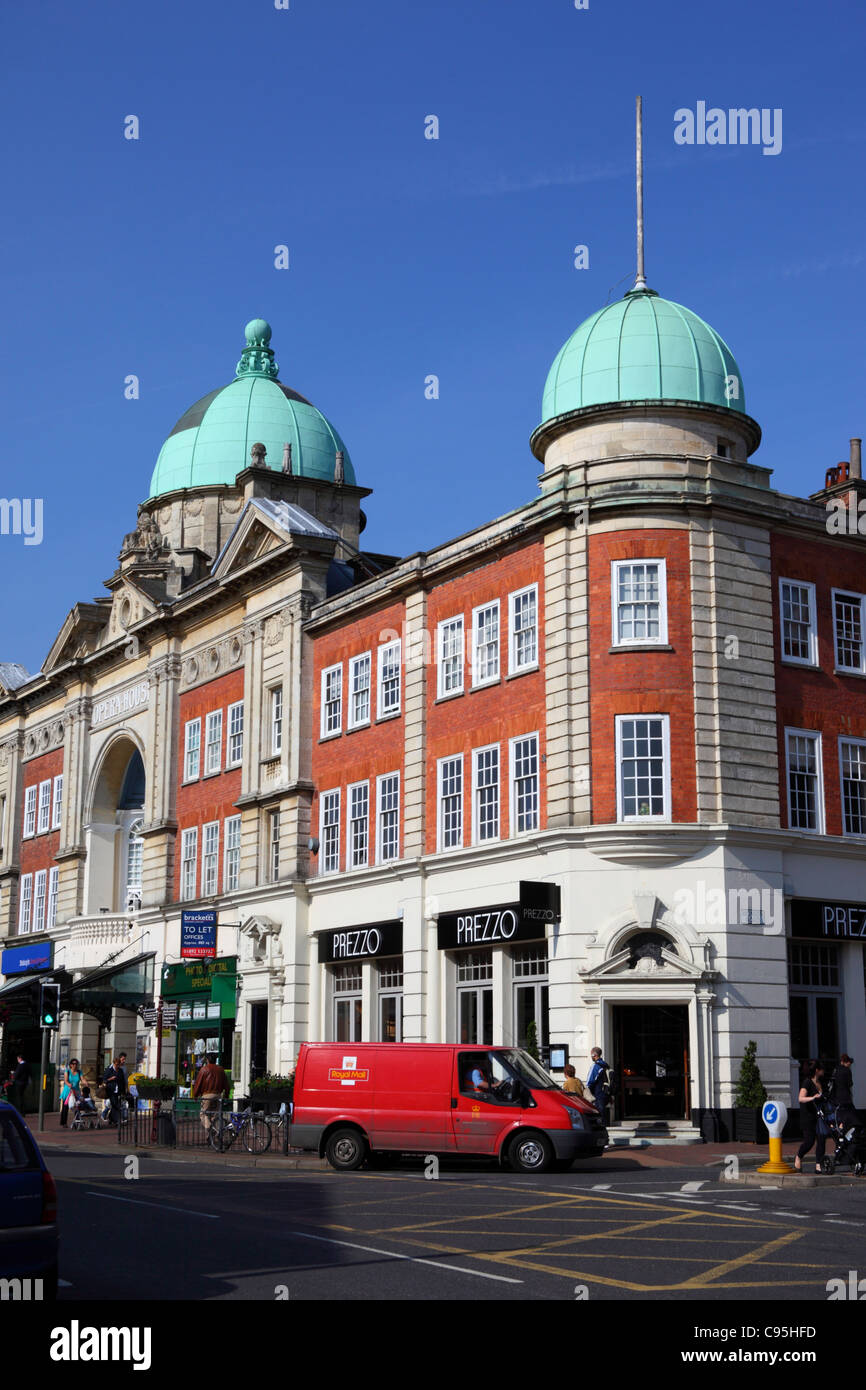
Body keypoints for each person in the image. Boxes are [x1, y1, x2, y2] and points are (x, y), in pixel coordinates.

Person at [794, 1060, 827, 1173]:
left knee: (822, 1140)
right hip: (808, 1116)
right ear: (817, 1070)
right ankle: (798, 1156)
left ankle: (818, 1164)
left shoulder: (820, 1082)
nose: (824, 1071)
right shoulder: (807, 1082)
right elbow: (800, 1098)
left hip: (819, 1116)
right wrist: (812, 1098)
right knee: (809, 1141)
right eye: (822, 1069)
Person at [192, 1052, 230, 1131]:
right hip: (217, 1095)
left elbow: (198, 1083)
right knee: (215, 1115)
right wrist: (226, 1095)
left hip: (207, 1095)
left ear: (207, 1060)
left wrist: (195, 1095)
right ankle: (215, 1132)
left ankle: (209, 1130)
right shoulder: (220, 1070)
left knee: (204, 1114)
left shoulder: (204, 1069)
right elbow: (226, 1085)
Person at [831, 1054, 856, 1130]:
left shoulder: (835, 1070)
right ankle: (844, 1128)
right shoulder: (847, 1070)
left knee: (840, 1113)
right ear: (846, 1062)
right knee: (851, 1114)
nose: (850, 1065)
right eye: (849, 1063)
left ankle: (837, 1126)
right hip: (845, 1097)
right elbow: (850, 1084)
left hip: (836, 1097)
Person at [586, 1047, 611, 1123]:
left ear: (594, 1055)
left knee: (599, 1116)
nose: (591, 1056)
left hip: (598, 1094)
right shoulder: (605, 1065)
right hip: (605, 1093)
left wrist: (588, 1091)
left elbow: (589, 1081)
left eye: (591, 1055)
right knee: (604, 1114)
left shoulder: (596, 1066)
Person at [102, 1053, 128, 1126]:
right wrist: (110, 1079)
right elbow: (104, 1080)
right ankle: (116, 1120)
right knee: (115, 1104)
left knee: (115, 1105)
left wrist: (124, 1091)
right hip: (111, 1090)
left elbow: (122, 1081)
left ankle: (111, 1119)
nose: (117, 1066)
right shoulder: (109, 1070)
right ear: (113, 1064)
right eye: (116, 1064)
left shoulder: (120, 1071)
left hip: (118, 1090)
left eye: (118, 1065)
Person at [59, 1058, 82, 1127]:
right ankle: (64, 1122)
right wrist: (69, 1084)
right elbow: (65, 1080)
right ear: (70, 1065)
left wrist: (85, 1082)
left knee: (77, 1106)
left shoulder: (79, 1072)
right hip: (68, 1091)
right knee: (65, 1107)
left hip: (76, 1090)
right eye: (73, 1064)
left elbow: (82, 1078)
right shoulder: (67, 1071)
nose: (75, 1065)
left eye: (76, 1064)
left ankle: (78, 1120)